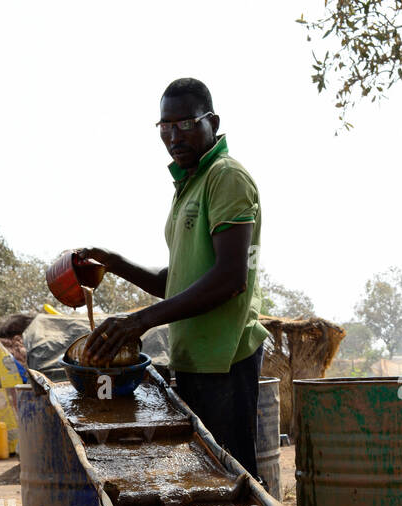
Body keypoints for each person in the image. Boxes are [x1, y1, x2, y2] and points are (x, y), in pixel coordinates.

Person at [77, 77, 267, 477]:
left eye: (185, 124)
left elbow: (231, 277)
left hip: (226, 359)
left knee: (235, 478)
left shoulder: (225, 177)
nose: (174, 136)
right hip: (196, 359)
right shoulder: (190, 183)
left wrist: (140, 320)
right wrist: (112, 262)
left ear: (212, 121)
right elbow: (177, 281)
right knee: (211, 480)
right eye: (165, 127)